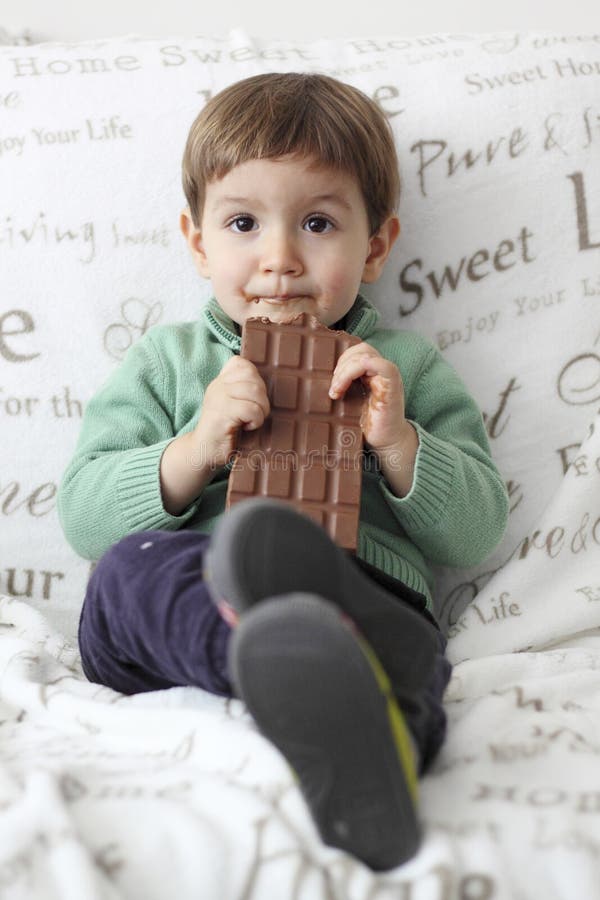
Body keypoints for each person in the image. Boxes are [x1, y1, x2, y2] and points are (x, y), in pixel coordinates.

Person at [58, 72, 509, 871]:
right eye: (242, 223)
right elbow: (84, 516)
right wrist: (194, 448)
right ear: (198, 243)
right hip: (193, 583)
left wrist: (398, 441)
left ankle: (372, 726)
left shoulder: (403, 367)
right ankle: (290, 663)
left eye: (317, 223)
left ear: (375, 246)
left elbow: (476, 531)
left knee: (410, 642)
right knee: (124, 574)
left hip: (361, 584)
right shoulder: (170, 364)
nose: (280, 260)